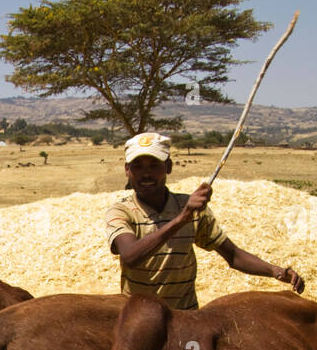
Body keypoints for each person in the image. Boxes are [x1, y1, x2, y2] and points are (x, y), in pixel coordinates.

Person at [105, 132, 304, 310]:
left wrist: (276, 271)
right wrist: (182, 219)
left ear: (168, 167)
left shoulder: (191, 208)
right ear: (127, 170)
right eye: (137, 166)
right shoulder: (121, 211)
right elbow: (131, 256)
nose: (146, 174)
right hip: (139, 320)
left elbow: (233, 255)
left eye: (154, 165)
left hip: (186, 318)